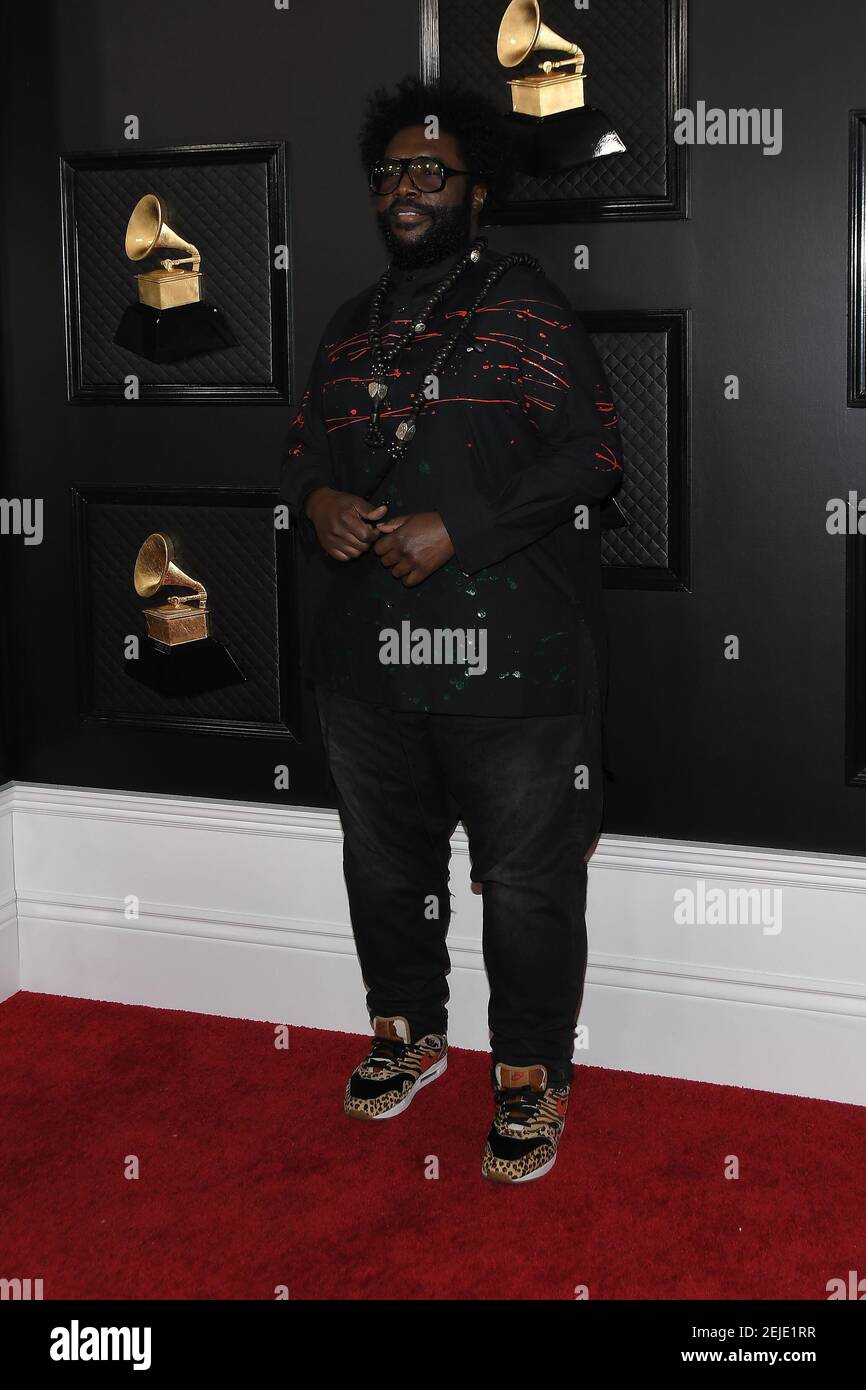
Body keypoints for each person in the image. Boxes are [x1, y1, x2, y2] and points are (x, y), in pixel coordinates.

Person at [280, 74, 623, 1184]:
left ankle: (528, 1075)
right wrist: (319, 505)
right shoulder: (344, 328)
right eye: (389, 173)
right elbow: (301, 464)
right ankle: (406, 1028)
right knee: (383, 866)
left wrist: (457, 529)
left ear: (477, 190)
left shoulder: (525, 307)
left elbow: (593, 459)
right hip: (367, 666)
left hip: (513, 662)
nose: (405, 188)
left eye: (429, 170)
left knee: (525, 881)